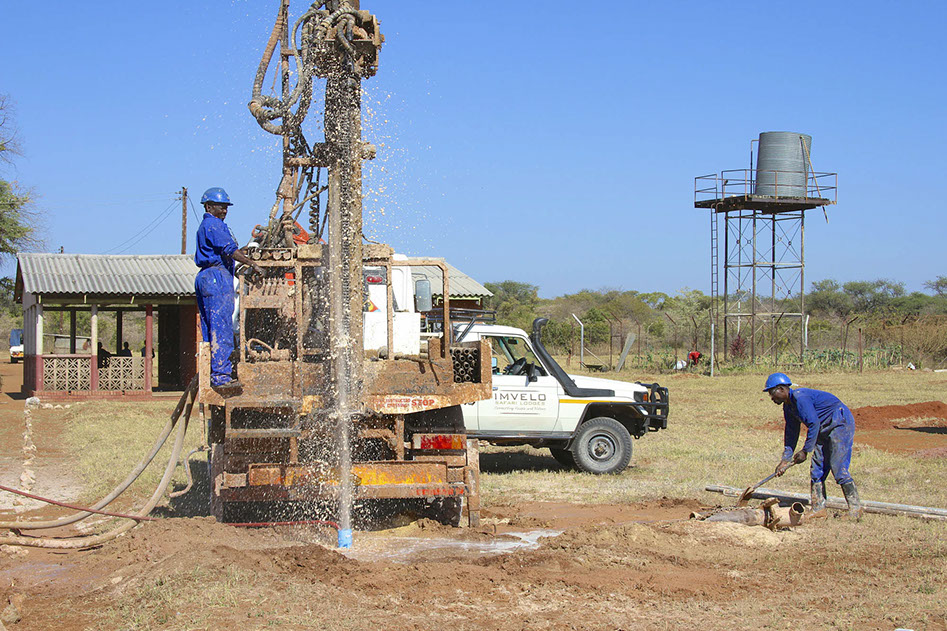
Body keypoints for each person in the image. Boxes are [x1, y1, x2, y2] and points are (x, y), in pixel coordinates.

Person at [764, 372, 862, 520]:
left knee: (838, 467)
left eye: (773, 393)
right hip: (822, 429)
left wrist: (805, 451)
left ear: (783, 389)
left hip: (839, 423)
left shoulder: (800, 398)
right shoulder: (788, 407)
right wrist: (785, 459)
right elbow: (791, 433)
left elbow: (813, 423)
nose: (772, 398)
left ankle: (855, 510)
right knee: (817, 469)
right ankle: (819, 508)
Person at [194, 187, 262, 390]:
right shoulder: (214, 225)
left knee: (209, 327)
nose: (224, 211)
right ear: (208, 207)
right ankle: (222, 376)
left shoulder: (207, 226)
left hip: (207, 276)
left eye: (226, 207)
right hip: (217, 277)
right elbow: (229, 250)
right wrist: (252, 264)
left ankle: (213, 372)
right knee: (221, 325)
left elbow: (227, 251)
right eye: (220, 207)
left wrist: (243, 252)